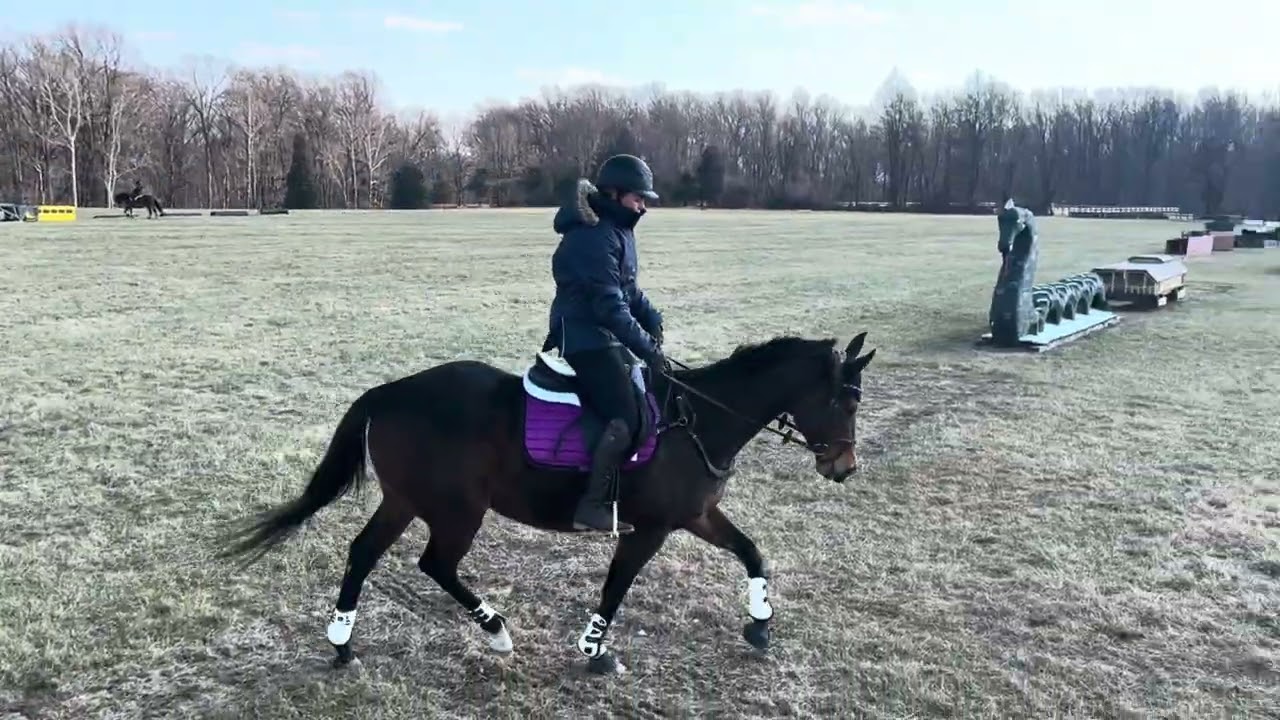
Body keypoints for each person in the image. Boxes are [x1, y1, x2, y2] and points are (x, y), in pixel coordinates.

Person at [543, 154, 669, 534]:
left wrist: (652, 318)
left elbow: (628, 290)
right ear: (614, 194)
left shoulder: (617, 230)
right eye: (638, 198)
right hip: (582, 335)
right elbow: (609, 305)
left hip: (602, 334)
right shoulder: (594, 235)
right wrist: (647, 347)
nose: (643, 206)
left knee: (644, 402)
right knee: (627, 416)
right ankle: (592, 505)